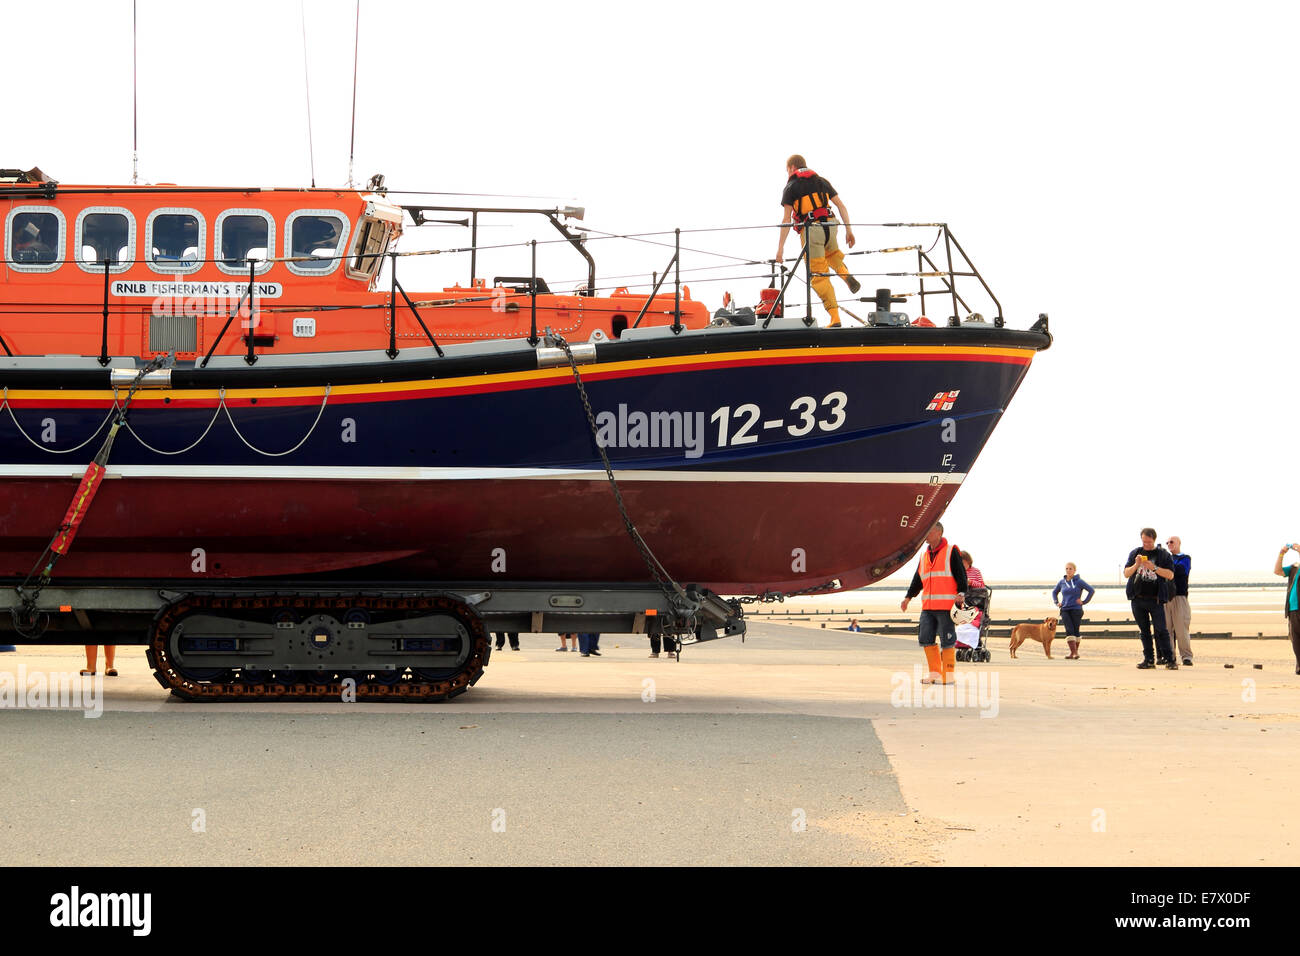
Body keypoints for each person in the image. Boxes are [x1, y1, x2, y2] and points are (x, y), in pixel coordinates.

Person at [775, 155, 859, 327]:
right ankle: (846, 275)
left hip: (812, 231)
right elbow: (840, 205)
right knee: (833, 256)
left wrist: (780, 248)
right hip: (831, 225)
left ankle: (835, 317)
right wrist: (849, 230)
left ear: (791, 168)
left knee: (819, 275)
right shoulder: (821, 181)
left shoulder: (791, 186)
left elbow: (786, 220)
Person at [900, 522, 967, 684]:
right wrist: (908, 597)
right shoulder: (924, 556)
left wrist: (961, 593)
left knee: (947, 640)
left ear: (938, 533)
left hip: (946, 606)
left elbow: (961, 574)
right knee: (925, 639)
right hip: (928, 607)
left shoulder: (951, 552)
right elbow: (918, 579)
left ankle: (948, 675)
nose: (925, 535)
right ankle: (935, 673)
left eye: (928, 532)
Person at [1123, 528, 1176, 669]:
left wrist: (1154, 568)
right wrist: (1136, 564)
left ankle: (1170, 660)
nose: (1146, 544)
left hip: (1156, 599)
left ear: (1154, 540)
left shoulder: (1163, 554)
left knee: (1161, 630)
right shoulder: (1135, 553)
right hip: (1137, 598)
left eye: (1149, 542)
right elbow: (1126, 574)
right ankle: (1149, 660)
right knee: (1144, 631)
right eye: (1144, 541)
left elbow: (1170, 575)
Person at [1052, 562, 1095, 659]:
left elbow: (1091, 590)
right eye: (1066, 568)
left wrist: (1084, 601)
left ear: (1074, 570)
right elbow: (1054, 592)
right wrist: (1056, 602)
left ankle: (1073, 653)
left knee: (1076, 631)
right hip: (1065, 609)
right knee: (1069, 630)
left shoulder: (1079, 581)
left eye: (1070, 569)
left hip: (1076, 609)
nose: (1068, 570)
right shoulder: (1062, 582)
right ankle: (1074, 653)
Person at [1166, 536, 1193, 665]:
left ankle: (1186, 657)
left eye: (1171, 542)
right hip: (1165, 597)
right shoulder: (1165, 558)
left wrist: (1165, 568)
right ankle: (1170, 656)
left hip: (1180, 596)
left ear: (1178, 543)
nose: (1169, 544)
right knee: (1167, 629)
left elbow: (1182, 571)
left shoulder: (1185, 558)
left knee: (1181, 629)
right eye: (1167, 543)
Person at [1274, 543, 1300, 675]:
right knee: (1296, 640)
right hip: (1293, 609)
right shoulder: (1295, 568)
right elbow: (1277, 571)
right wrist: (1281, 553)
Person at [954, 551, 984, 652]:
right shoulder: (957, 572)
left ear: (968, 561)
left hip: (976, 600)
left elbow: (982, 586)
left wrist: (970, 582)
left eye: (963, 563)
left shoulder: (976, 571)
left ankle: (975, 642)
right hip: (962, 602)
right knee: (961, 621)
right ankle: (962, 642)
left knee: (974, 620)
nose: (961, 566)